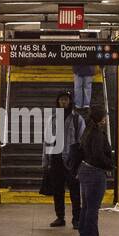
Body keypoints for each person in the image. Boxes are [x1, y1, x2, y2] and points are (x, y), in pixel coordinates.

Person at [40, 91, 83, 228]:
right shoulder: (52, 118)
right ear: (58, 102)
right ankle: (60, 217)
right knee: (58, 190)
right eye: (61, 100)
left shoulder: (77, 119)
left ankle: (77, 219)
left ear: (70, 101)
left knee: (75, 191)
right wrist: (45, 160)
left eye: (66, 99)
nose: (64, 102)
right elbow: (46, 140)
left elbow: (82, 140)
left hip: (72, 160)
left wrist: (81, 160)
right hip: (56, 158)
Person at [76, 102, 113, 236]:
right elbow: (98, 155)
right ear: (101, 118)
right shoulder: (97, 133)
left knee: (86, 206)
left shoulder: (88, 131)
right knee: (93, 208)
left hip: (85, 170)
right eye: (104, 116)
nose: (106, 119)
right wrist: (110, 165)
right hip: (95, 173)